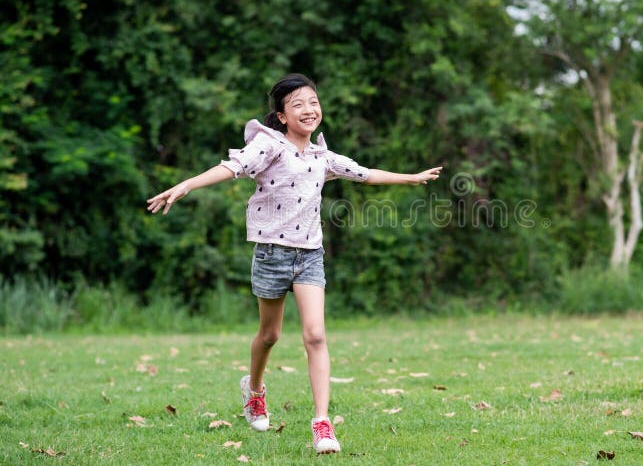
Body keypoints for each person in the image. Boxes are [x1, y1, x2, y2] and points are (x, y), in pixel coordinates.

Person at [147, 73, 442, 455]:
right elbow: (230, 168)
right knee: (269, 336)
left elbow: (365, 174)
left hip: (309, 256)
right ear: (282, 115)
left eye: (313, 102)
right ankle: (253, 390)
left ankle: (322, 423)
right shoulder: (268, 147)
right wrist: (187, 184)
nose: (309, 109)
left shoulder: (322, 156)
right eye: (298, 104)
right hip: (271, 253)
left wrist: (411, 178)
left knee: (315, 335)